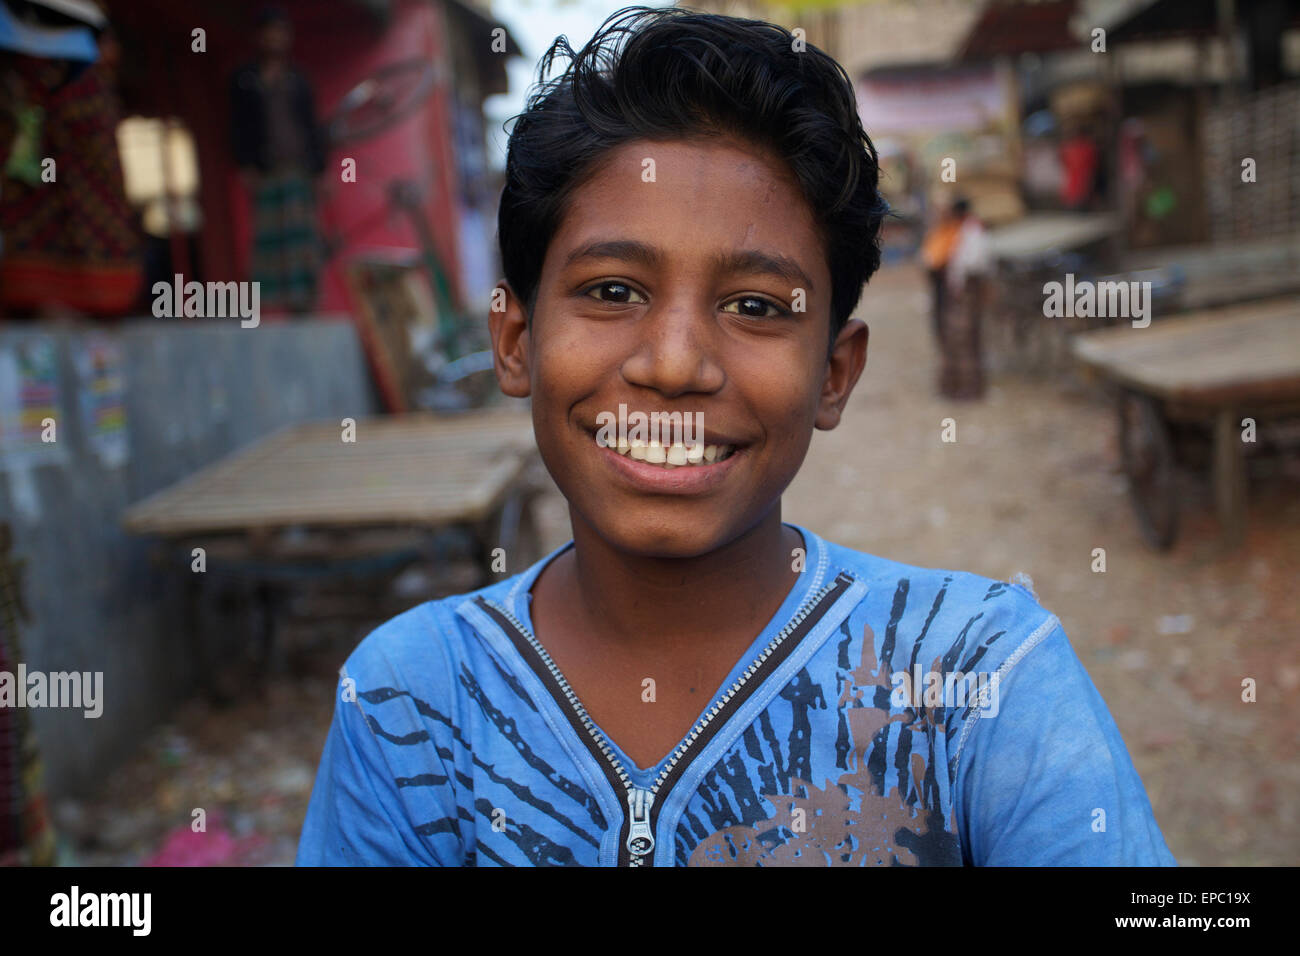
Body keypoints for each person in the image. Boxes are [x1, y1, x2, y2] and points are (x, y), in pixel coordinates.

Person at [296, 7, 1175, 867]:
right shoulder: (410, 703)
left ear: (835, 373)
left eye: (755, 307)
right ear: (516, 342)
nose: (675, 365)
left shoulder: (978, 677)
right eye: (612, 291)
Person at [229, 4, 327, 314]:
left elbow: (313, 127)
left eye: (281, 32)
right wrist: (245, 164)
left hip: (298, 171)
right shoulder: (244, 80)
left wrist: (320, 170)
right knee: (272, 243)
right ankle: (272, 309)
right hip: (267, 172)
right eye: (270, 32)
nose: (276, 38)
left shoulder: (299, 80)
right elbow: (237, 126)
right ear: (259, 37)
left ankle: (305, 306)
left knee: (302, 242)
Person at [939, 197, 992, 400]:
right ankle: (961, 386)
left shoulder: (973, 231)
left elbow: (973, 264)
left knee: (964, 339)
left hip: (968, 291)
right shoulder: (964, 230)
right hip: (964, 290)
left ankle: (969, 388)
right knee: (963, 339)